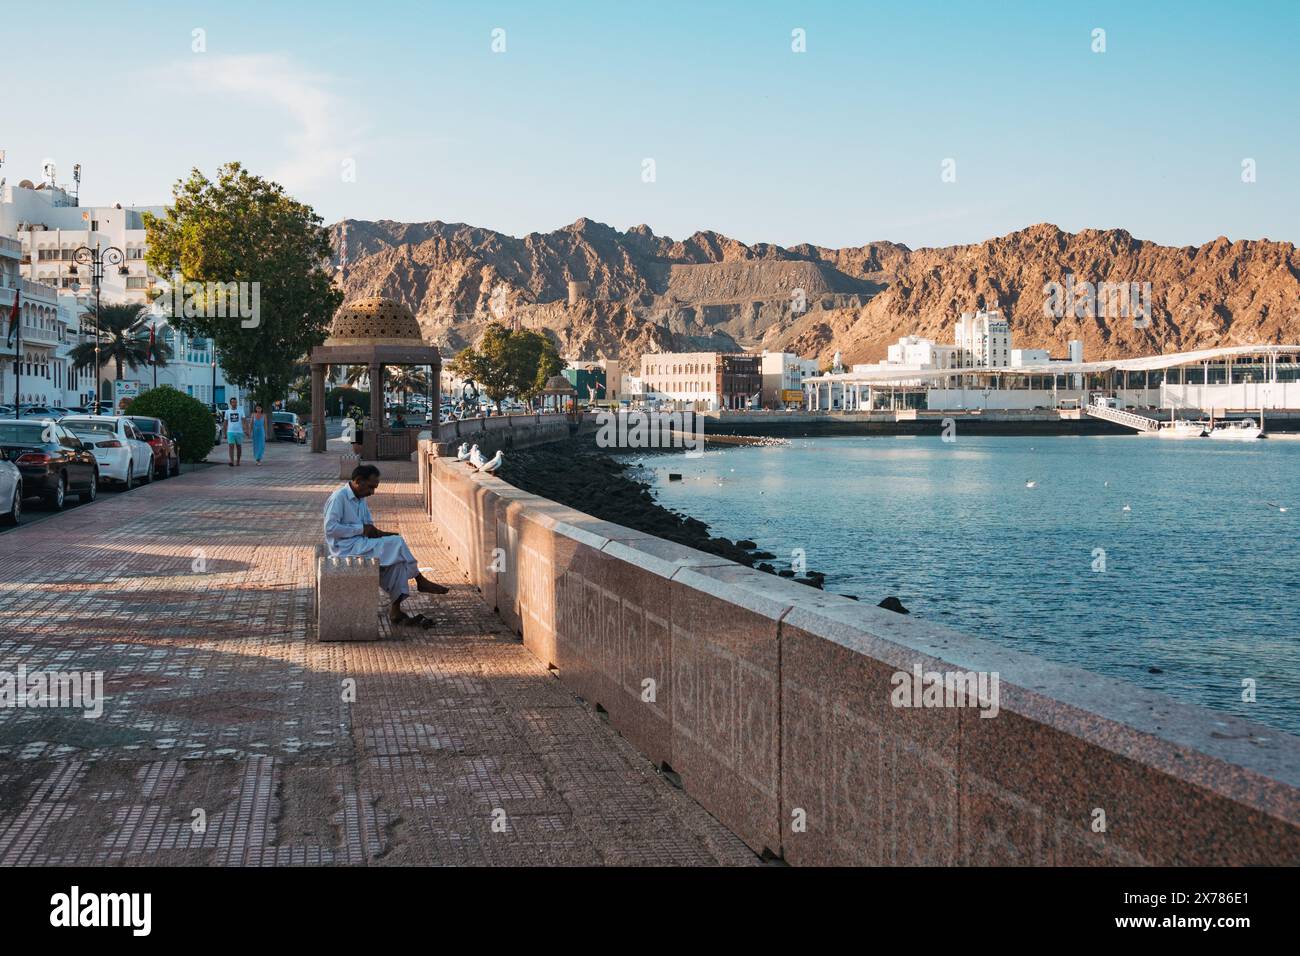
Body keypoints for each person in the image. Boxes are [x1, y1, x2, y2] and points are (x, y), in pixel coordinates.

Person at [323, 464, 448, 627]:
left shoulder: (361, 499)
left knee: (398, 562)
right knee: (397, 544)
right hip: (345, 549)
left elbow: (369, 527)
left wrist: (383, 534)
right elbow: (330, 529)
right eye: (370, 487)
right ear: (358, 481)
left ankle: (396, 610)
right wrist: (360, 529)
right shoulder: (339, 498)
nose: (372, 492)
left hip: (361, 543)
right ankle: (420, 579)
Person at [222, 398, 244, 466]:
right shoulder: (227, 412)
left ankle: (238, 461)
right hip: (230, 431)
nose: (234, 404)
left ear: (237, 403)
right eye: (233, 402)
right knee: (231, 446)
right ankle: (231, 461)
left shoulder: (241, 411)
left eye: (235, 402)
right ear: (230, 403)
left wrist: (246, 429)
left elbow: (244, 420)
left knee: (239, 447)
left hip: (239, 432)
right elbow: (225, 423)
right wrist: (224, 433)